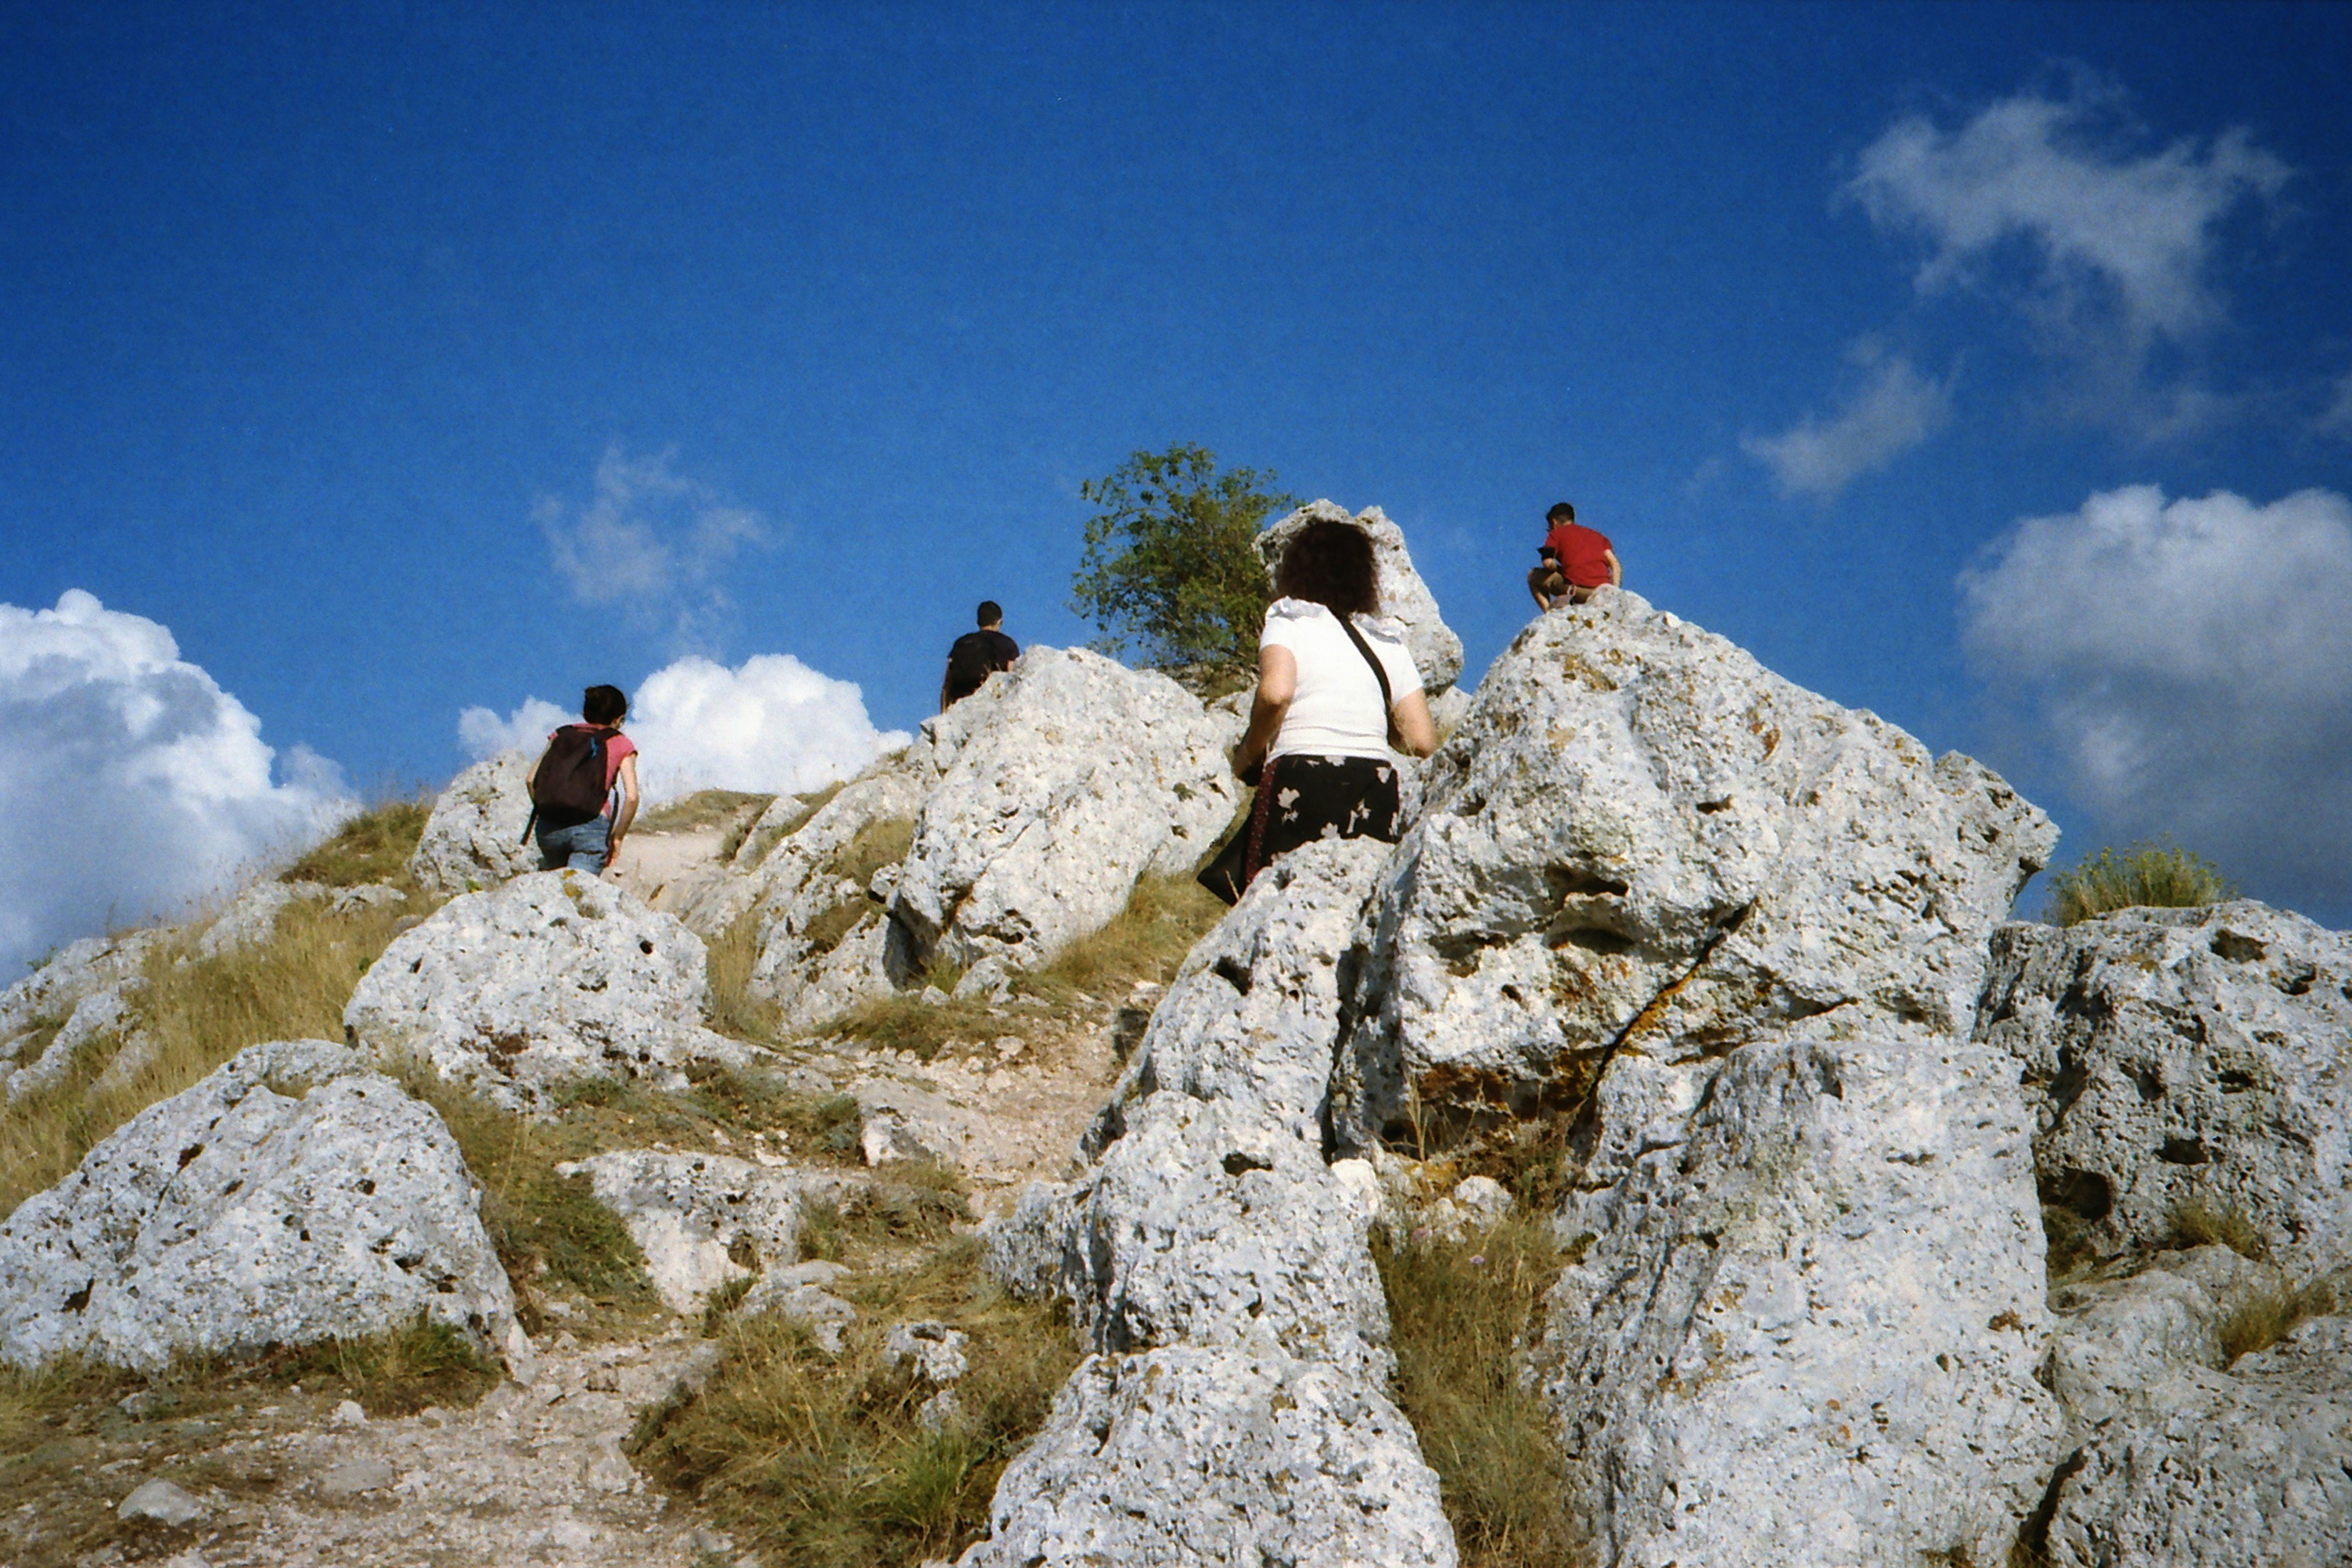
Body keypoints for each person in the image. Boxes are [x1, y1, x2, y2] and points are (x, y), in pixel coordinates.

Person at [1209, 518, 1438, 901]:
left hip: (1302, 776)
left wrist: (1247, 754)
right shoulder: (1387, 639)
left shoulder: (1289, 618)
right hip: (1374, 784)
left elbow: (1275, 695)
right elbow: (1424, 741)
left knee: (1274, 907)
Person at [525, 684, 640, 875]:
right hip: (591, 825)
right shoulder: (621, 742)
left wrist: (549, 810)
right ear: (618, 718)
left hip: (549, 828)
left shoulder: (561, 734)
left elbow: (531, 780)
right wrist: (617, 838)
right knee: (577, 892)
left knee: (554, 891)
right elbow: (632, 797)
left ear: (585, 712)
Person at [1527, 501, 1621, 610]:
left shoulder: (1556, 534)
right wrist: (1614, 591)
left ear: (1554, 523)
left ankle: (1549, 613)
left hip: (1577, 591)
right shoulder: (1598, 536)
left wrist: (1560, 570)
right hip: (1601, 592)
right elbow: (1615, 564)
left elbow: (1547, 563)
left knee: (1533, 576)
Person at [941, 599, 1021, 709]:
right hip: (991, 708)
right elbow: (1013, 678)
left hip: (960, 708)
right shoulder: (1007, 644)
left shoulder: (961, 643)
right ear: (999, 622)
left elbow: (947, 684)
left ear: (978, 622)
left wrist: (944, 714)